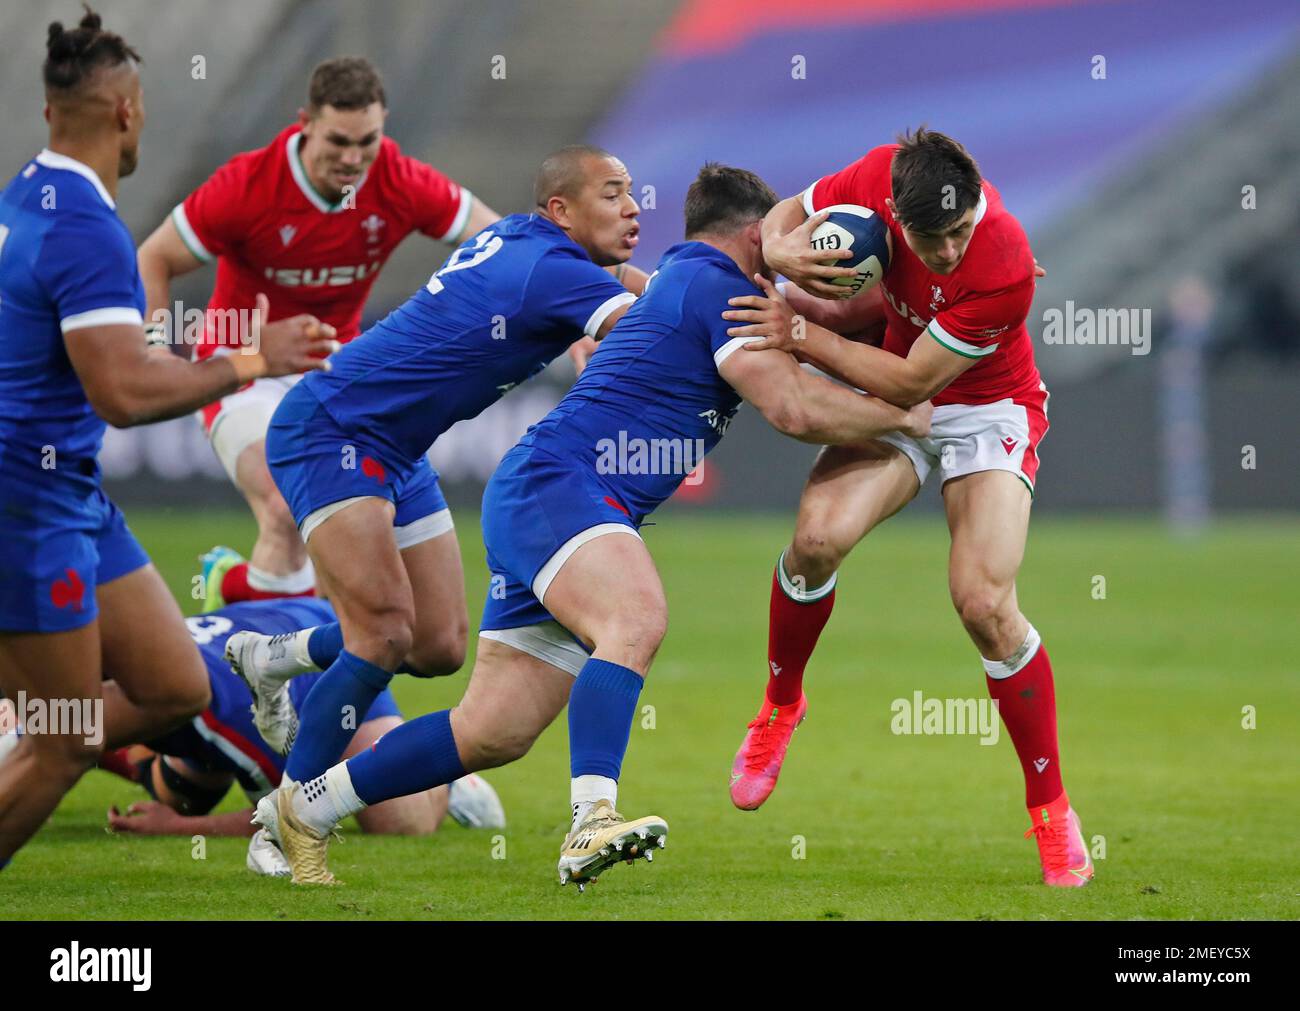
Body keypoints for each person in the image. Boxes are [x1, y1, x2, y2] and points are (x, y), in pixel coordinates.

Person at [257, 162, 930, 888]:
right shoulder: (715, 285)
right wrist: (910, 420)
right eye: (785, 234)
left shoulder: (690, 276)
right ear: (752, 232)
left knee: (492, 731)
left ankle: (304, 807)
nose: (795, 248)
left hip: (549, 493)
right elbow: (795, 408)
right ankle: (591, 821)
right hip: (562, 486)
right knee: (634, 617)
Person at [220, 145, 647, 859]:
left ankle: (277, 655)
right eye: (613, 194)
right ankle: (282, 823)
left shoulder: (526, 238)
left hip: (397, 447)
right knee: (381, 637)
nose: (634, 207)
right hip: (332, 429)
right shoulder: (550, 270)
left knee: (438, 645)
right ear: (562, 211)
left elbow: (643, 291)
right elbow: (661, 334)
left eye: (632, 193)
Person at [0, 8, 334, 871]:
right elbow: (122, 390)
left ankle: (19, 718)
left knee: (175, 686)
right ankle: (27, 728)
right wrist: (253, 359)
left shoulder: (27, 197)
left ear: (51, 113)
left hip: (69, 495)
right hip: (29, 506)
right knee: (64, 739)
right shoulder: (85, 227)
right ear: (126, 114)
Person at [723, 128, 1092, 887]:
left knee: (983, 602)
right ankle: (779, 707)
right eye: (934, 238)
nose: (951, 250)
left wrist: (799, 331)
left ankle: (1051, 810)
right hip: (893, 373)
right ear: (894, 211)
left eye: (961, 230)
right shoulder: (874, 176)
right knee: (816, 539)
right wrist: (785, 253)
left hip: (982, 408)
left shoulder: (1004, 265)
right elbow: (784, 215)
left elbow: (909, 386)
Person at [135, 56, 499, 609]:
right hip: (243, 370)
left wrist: (582, 309)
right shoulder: (248, 184)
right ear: (305, 122)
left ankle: (240, 601)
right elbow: (153, 258)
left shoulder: (398, 180)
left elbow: (499, 241)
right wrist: (156, 352)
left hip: (336, 375)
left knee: (345, 540)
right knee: (288, 511)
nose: (354, 159)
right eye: (338, 141)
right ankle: (281, 664)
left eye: (367, 141)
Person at [93, 598, 503, 877]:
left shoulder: (227, 715)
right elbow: (54, 733)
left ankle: (446, 783)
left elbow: (283, 811)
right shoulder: (128, 680)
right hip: (254, 630)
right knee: (178, 793)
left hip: (313, 653)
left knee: (396, 821)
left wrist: (178, 829)